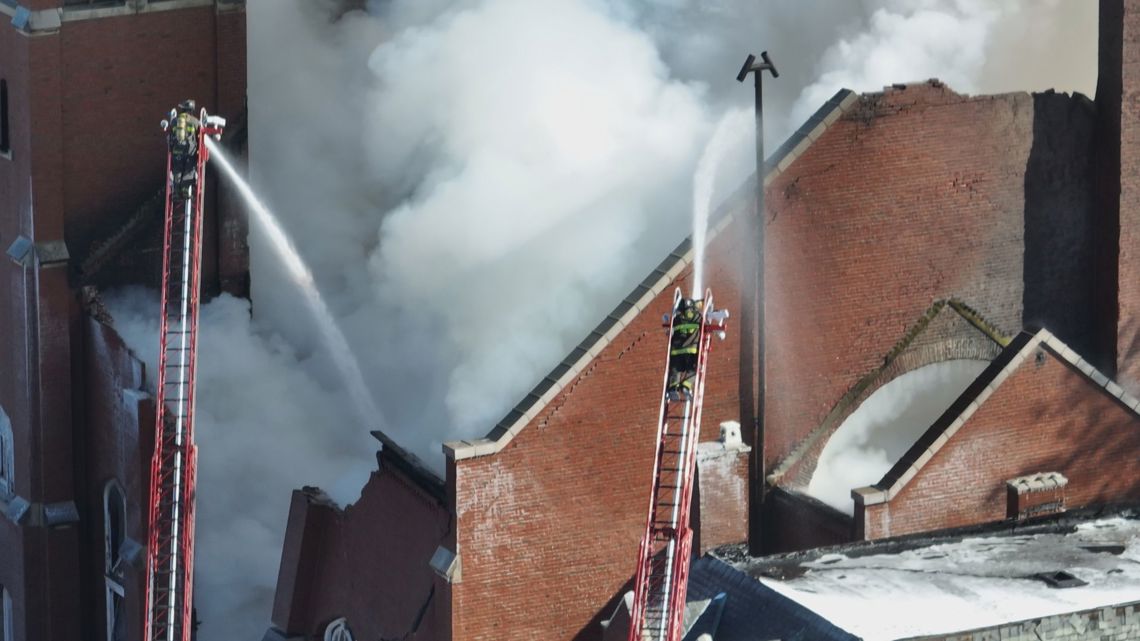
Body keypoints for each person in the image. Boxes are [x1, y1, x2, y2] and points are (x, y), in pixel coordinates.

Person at [666, 299, 702, 400]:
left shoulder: (676, 319)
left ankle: (673, 388)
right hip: (691, 350)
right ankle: (686, 386)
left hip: (676, 352)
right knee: (693, 370)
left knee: (675, 371)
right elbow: (705, 321)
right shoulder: (697, 317)